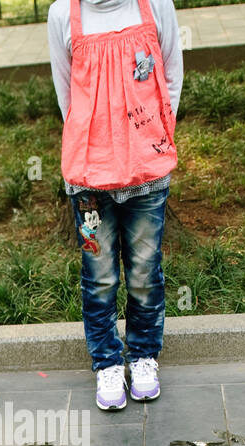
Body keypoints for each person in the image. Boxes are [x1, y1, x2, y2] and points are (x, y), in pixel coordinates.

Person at [48, 0, 183, 411]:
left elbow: (171, 75)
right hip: (88, 185)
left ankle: (143, 356)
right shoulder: (61, 15)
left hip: (148, 176)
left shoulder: (156, 4)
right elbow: (66, 95)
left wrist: (151, 140)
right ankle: (107, 361)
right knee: (99, 274)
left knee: (144, 271)